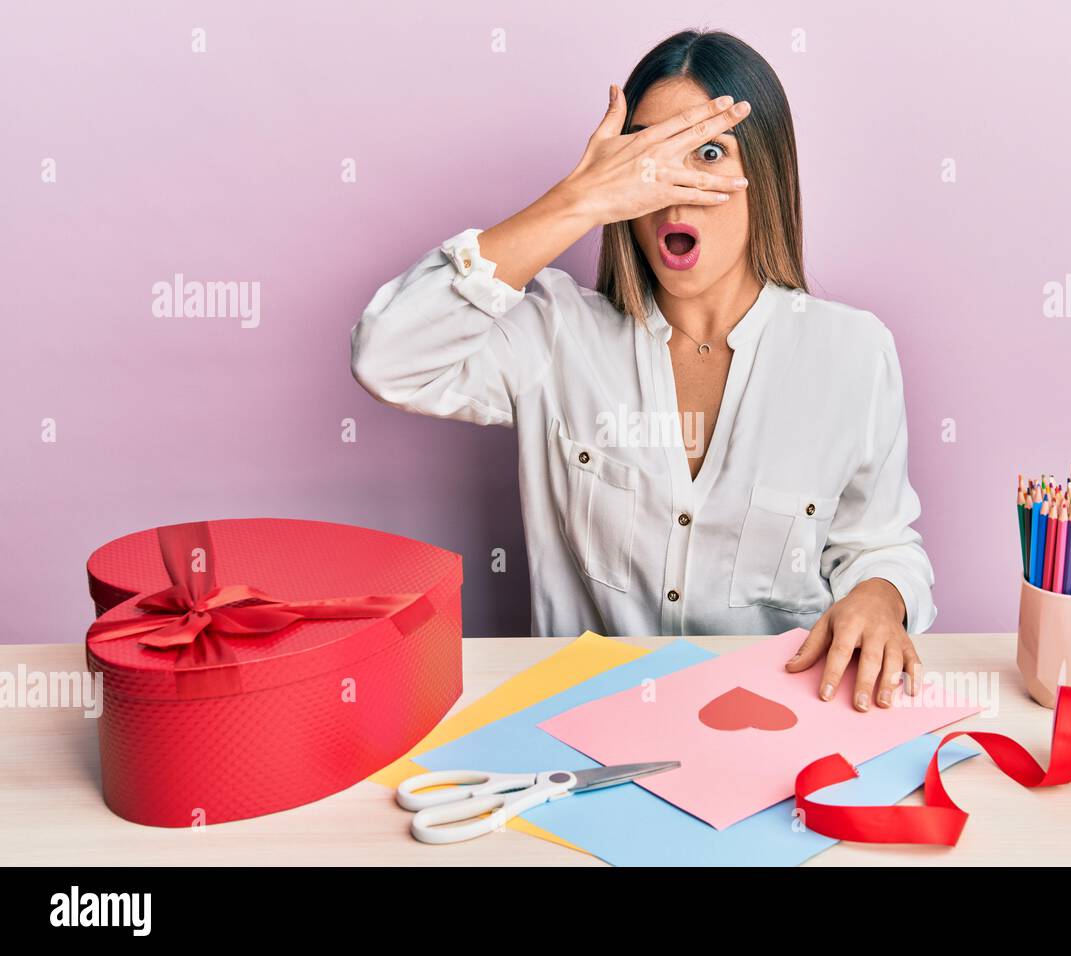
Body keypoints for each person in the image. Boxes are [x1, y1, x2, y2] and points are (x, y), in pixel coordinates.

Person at [351, 30, 936, 711]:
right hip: (584, 732)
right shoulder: (555, 336)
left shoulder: (853, 352)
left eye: (708, 152)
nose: (671, 186)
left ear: (768, 175)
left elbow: (881, 543)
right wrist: (578, 200)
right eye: (646, 155)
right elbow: (387, 355)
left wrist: (879, 593)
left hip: (779, 728)